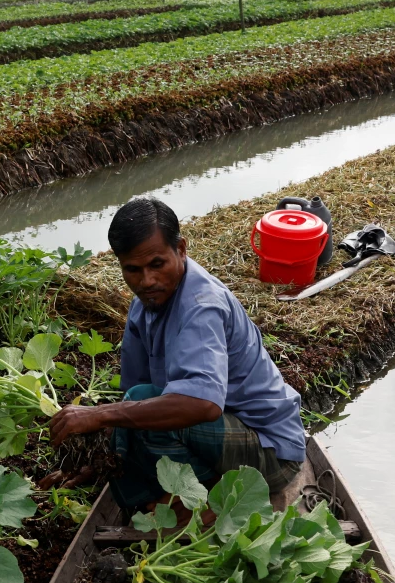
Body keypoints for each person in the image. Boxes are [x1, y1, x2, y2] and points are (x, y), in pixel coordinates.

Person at [44, 196, 305, 510]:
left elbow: (202, 405)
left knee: (154, 413)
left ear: (181, 249)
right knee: (139, 402)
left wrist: (98, 415)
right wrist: (96, 462)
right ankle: (185, 491)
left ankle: (208, 499)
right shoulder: (146, 304)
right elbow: (134, 398)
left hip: (270, 452)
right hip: (223, 430)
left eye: (157, 264)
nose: (147, 280)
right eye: (133, 270)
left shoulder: (201, 307)